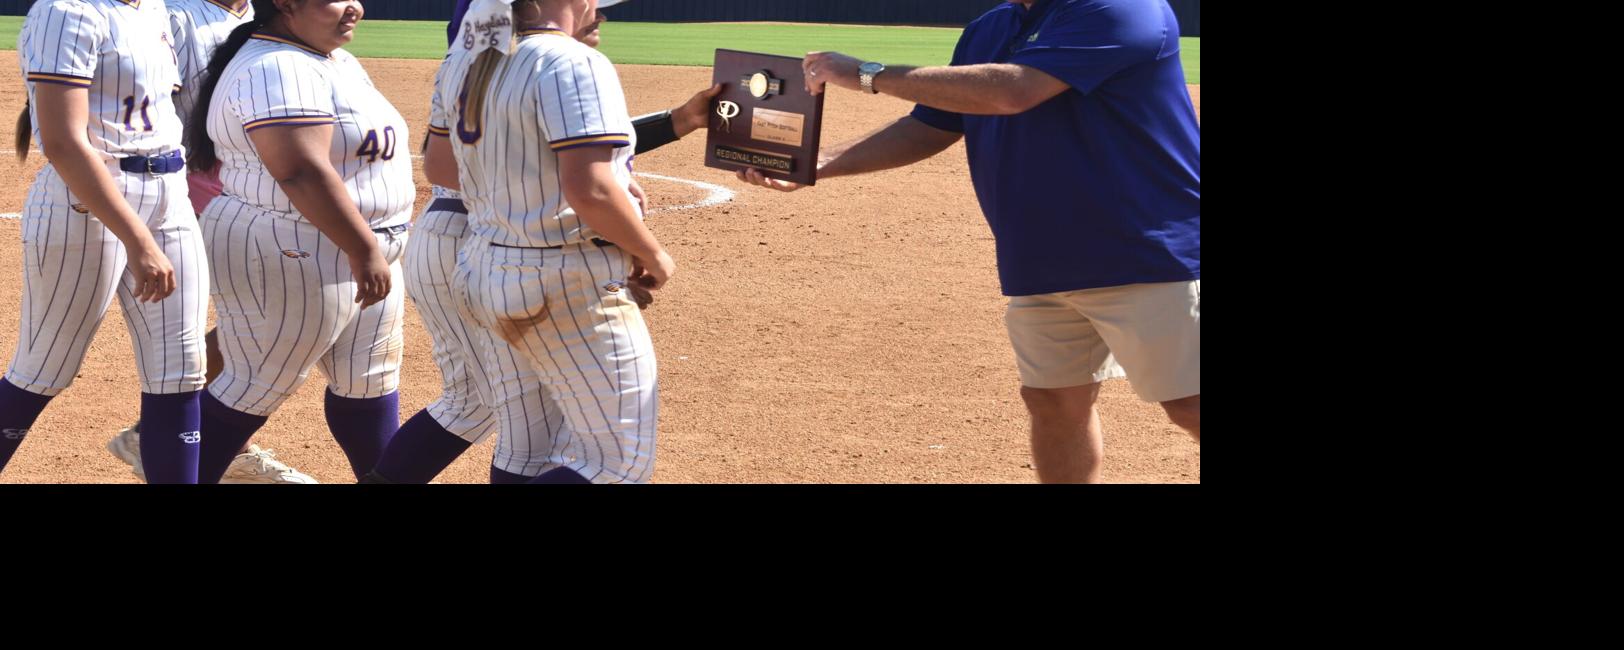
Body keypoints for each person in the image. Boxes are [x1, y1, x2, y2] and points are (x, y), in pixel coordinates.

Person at [737, 0, 1200, 482]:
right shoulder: (991, 28)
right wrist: (815, 163)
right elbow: (928, 127)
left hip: (1146, 249)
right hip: (1041, 256)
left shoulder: (1123, 9)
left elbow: (1015, 91)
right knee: (1053, 401)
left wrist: (867, 74)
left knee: (1189, 403)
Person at [367, 0, 718, 483]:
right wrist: (649, 250)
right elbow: (590, 188)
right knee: (616, 464)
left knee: (526, 444)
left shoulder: (466, 65)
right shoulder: (572, 61)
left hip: (484, 259)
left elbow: (448, 164)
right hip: (560, 268)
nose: (598, 10)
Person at [183, 0, 415, 483]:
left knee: (367, 382)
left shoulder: (331, 59)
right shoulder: (276, 67)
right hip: (296, 243)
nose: (355, 7)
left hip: (351, 245)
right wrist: (364, 248)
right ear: (286, 4)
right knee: (255, 382)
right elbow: (299, 170)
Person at [103, 0, 318, 483]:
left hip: (250, 180)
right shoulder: (178, 15)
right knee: (268, 311)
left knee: (270, 311)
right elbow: (151, 105)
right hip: (199, 182)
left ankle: (192, 436)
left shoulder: (257, 17)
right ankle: (172, 434)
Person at [0, 0, 209, 484]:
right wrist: (138, 241)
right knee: (43, 368)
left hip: (167, 192)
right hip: (87, 201)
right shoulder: (66, 11)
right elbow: (62, 141)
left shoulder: (154, 8)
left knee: (181, 370)